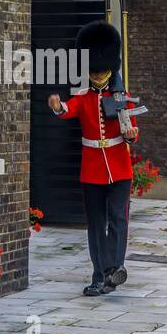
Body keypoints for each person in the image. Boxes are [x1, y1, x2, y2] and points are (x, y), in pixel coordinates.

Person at [48, 20, 140, 297]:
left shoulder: (122, 98)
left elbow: (132, 133)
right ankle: (100, 274)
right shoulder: (84, 96)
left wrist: (131, 133)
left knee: (118, 220)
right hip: (92, 169)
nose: (99, 75)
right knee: (96, 223)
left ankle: (115, 268)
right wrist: (57, 106)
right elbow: (68, 109)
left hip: (119, 169)